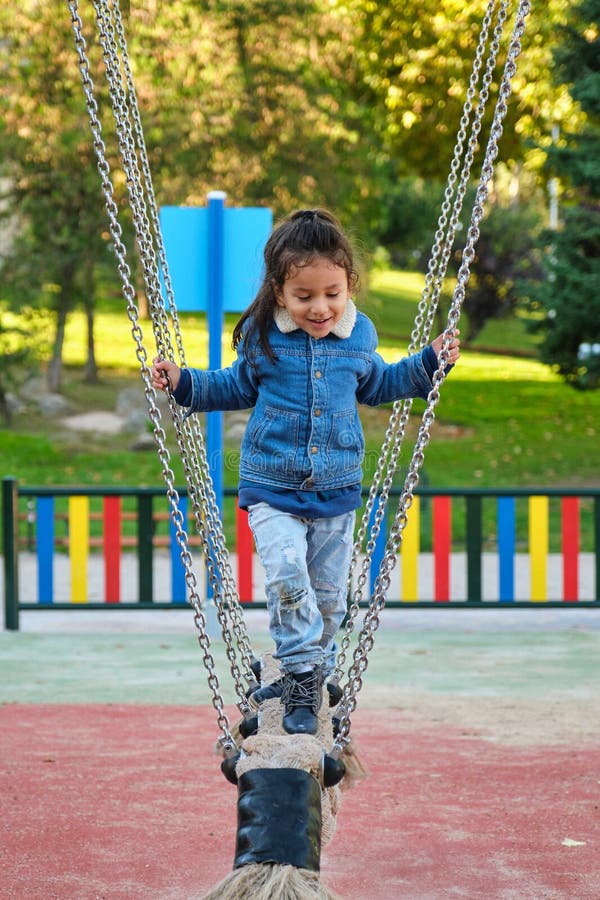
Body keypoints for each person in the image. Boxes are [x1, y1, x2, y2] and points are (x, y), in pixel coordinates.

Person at [151, 208, 460, 736]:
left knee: (329, 596)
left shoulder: (358, 334)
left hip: (335, 490)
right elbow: (233, 387)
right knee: (288, 576)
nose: (321, 307)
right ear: (279, 292)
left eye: (332, 293)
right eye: (305, 296)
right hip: (272, 487)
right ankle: (298, 675)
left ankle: (314, 667)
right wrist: (184, 383)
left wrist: (428, 363)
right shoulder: (263, 337)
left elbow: (380, 384)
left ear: (348, 285)